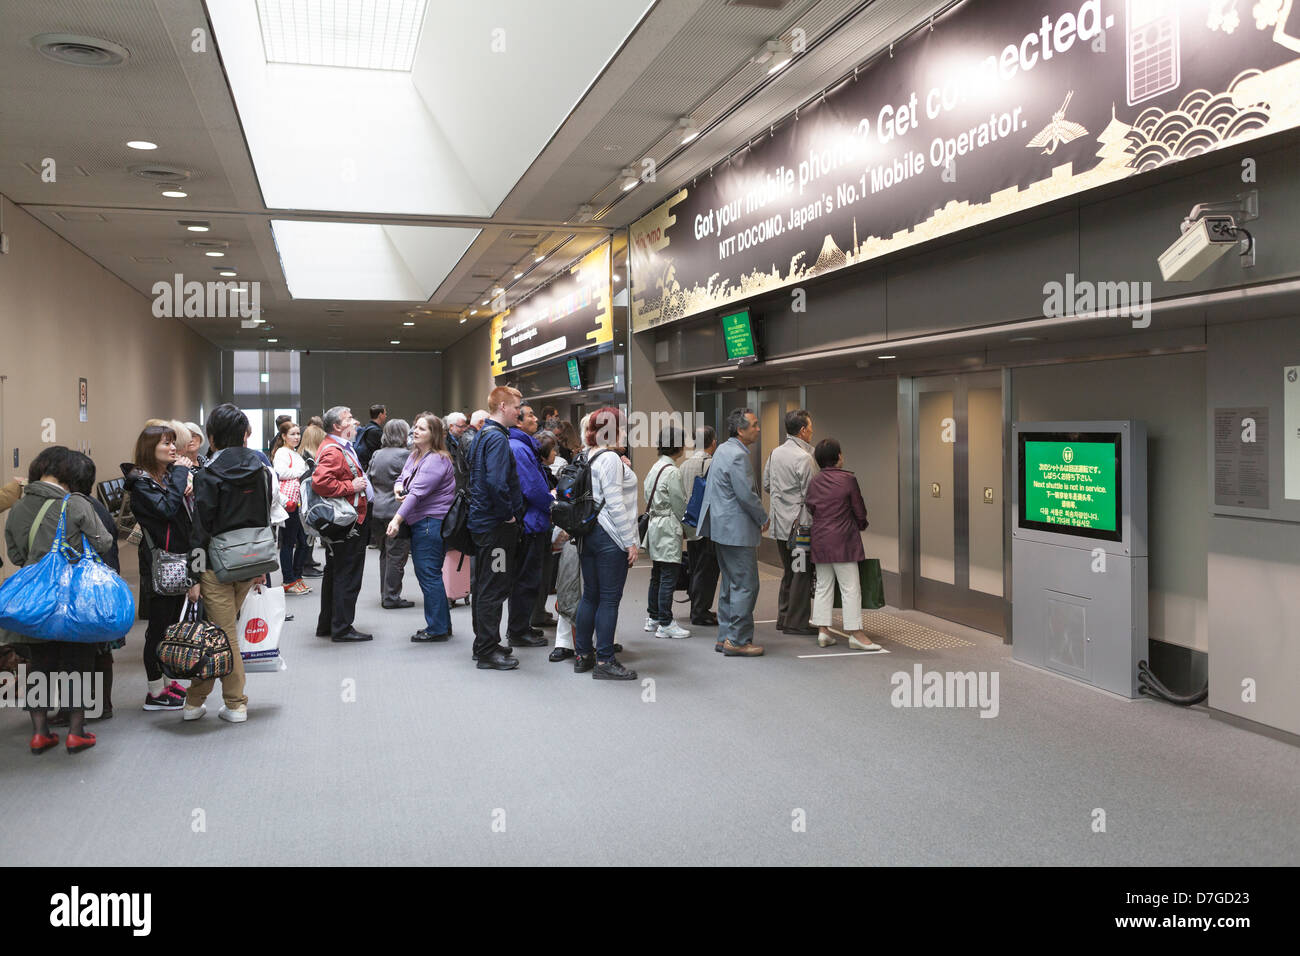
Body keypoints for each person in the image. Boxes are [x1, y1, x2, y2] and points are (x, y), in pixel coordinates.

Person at [4, 446, 116, 753]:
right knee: (77, 663)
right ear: (72, 475)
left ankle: (40, 733)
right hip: (72, 600)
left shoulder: (17, 508)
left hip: (36, 602)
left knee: (39, 663)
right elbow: (104, 541)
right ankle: (76, 732)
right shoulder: (75, 503)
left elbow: (16, 555)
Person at [188, 403, 275, 722]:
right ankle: (195, 701)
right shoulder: (261, 469)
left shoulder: (207, 473)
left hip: (215, 563)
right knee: (220, 631)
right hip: (252, 559)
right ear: (244, 435)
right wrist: (262, 566)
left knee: (223, 633)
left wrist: (193, 575)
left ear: (211, 437)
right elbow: (264, 518)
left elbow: (200, 529)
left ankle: (236, 702)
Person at [121, 423, 198, 711]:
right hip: (161, 562)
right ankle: (154, 692)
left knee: (168, 626)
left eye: (172, 443)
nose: (173, 448)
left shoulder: (161, 477)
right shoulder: (142, 482)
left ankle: (166, 680)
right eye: (166, 444)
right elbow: (166, 510)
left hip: (177, 557)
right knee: (158, 628)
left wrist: (182, 481)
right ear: (149, 449)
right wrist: (180, 474)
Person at [573, 407, 639, 680]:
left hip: (588, 533)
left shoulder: (589, 454)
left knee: (591, 595)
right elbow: (615, 503)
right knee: (609, 600)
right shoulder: (610, 458)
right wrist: (630, 542)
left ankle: (583, 655)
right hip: (610, 535)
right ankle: (605, 661)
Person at [697, 408, 768, 657]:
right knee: (747, 585)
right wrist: (763, 517)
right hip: (737, 531)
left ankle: (725, 636)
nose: (758, 429)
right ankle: (737, 640)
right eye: (755, 425)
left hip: (721, 529)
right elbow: (746, 495)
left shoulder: (723, 450)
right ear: (741, 429)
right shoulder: (738, 455)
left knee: (730, 584)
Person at [805, 438, 882, 651]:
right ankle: (856, 634)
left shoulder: (815, 481)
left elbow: (810, 506)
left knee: (823, 586)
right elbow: (859, 509)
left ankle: (823, 631)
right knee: (850, 588)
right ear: (838, 456)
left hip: (820, 538)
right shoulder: (848, 479)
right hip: (843, 540)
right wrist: (861, 524)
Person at [467, 387, 524, 670]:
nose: (520, 412)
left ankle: (485, 643)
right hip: (496, 528)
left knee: (483, 585)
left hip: (481, 524)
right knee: (494, 587)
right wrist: (509, 517)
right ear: (502, 406)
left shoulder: (481, 435)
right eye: (517, 407)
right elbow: (497, 484)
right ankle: (488, 650)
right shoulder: (498, 440)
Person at [388, 412, 457, 642]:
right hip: (422, 522)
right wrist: (398, 488)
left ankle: (437, 628)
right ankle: (441, 624)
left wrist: (396, 519)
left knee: (428, 575)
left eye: (422, 429)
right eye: (415, 427)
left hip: (430, 523)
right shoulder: (416, 455)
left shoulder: (436, 459)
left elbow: (417, 493)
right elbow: (403, 478)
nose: (415, 431)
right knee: (429, 574)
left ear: (434, 434)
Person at [312, 405, 372, 643]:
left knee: (335, 572)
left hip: (346, 521)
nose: (355, 422)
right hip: (348, 523)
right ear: (337, 426)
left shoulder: (336, 447)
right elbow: (320, 482)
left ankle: (329, 624)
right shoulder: (334, 450)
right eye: (349, 419)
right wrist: (351, 487)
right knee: (347, 574)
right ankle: (342, 627)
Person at [763, 409, 818, 636]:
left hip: (780, 525)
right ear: (803, 430)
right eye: (811, 428)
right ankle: (797, 622)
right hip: (801, 526)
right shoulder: (804, 458)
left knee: (789, 570)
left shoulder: (775, 453)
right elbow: (812, 494)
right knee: (801, 572)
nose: (812, 432)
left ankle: (784, 617)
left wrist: (782, 499)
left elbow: (767, 484)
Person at [508, 403, 554, 644]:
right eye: (531, 415)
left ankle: (521, 625)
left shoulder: (522, 446)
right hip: (530, 523)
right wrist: (552, 505)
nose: (536, 419)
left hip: (530, 521)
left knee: (526, 579)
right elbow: (533, 488)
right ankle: (518, 631)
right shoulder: (519, 448)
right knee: (525, 579)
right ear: (518, 421)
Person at [643, 425, 690, 639]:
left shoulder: (655, 467)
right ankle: (666, 622)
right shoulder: (672, 471)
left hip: (655, 524)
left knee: (657, 574)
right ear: (678, 446)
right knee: (669, 575)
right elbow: (679, 503)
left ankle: (653, 617)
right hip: (669, 525)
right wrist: (686, 527)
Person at [368, 418, 414, 610]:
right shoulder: (406, 455)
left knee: (384, 554)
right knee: (397, 555)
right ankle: (392, 596)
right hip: (397, 512)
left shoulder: (377, 454)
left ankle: (385, 593)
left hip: (377, 511)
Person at [680, 425, 718, 626]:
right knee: (707, 569)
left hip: (690, 523)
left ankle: (697, 606)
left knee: (695, 567)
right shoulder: (711, 464)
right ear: (713, 442)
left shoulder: (684, 465)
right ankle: (700, 611)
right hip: (707, 524)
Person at [271, 419, 312, 596]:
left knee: (303, 542)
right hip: (289, 503)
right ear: (283, 436)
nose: (296, 437)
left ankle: (296, 576)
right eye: (292, 434)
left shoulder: (294, 453)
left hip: (298, 503)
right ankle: (289, 579)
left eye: (298, 434)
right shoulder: (282, 452)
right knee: (289, 543)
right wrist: (302, 472)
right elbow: (280, 472)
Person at [297, 420, 327, 577]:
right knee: (306, 534)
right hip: (307, 502)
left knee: (307, 535)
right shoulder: (309, 459)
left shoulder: (302, 455)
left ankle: (307, 562)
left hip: (302, 502)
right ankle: (305, 565)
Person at [354, 404, 387, 470]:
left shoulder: (366, 427)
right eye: (385, 414)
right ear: (380, 415)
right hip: (369, 466)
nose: (386, 416)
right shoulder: (376, 431)